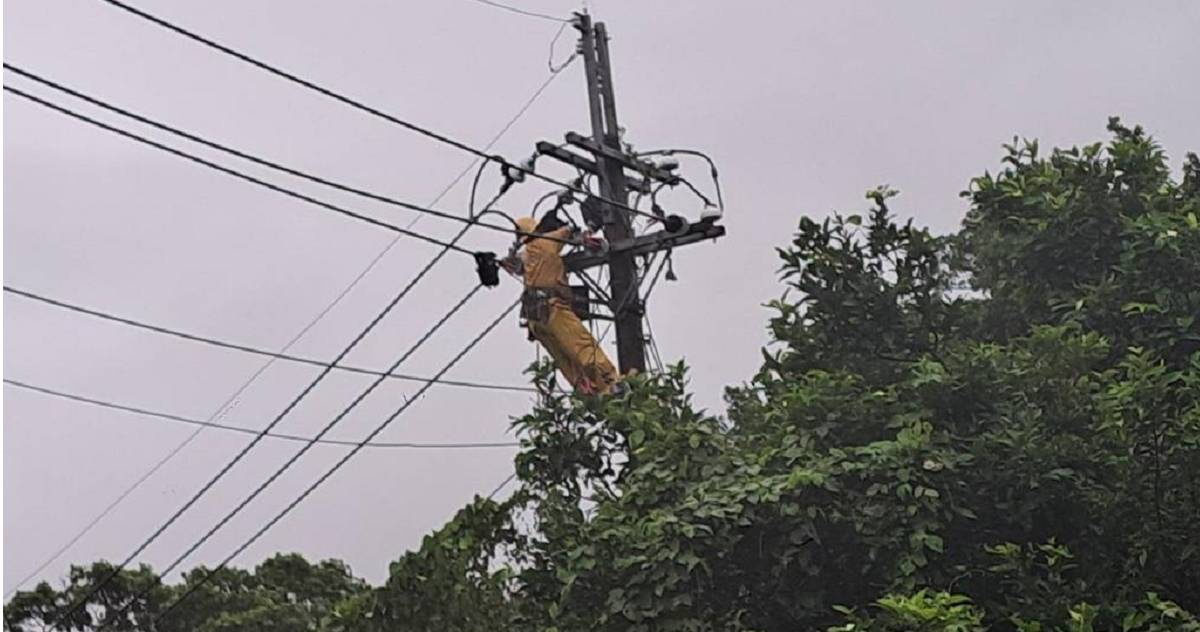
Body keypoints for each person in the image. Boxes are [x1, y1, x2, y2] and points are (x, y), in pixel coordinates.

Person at [503, 211, 619, 394]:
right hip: (553, 308)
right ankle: (610, 382)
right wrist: (581, 231)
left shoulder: (525, 254)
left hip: (534, 318)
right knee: (582, 345)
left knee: (563, 357)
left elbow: (511, 265)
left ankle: (587, 391)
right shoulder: (547, 241)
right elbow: (571, 231)